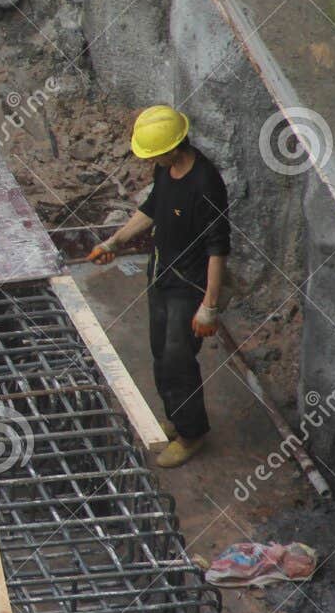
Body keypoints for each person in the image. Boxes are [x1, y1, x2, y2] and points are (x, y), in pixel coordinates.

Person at [88, 106, 230, 468]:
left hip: (189, 285)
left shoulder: (205, 184)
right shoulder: (166, 169)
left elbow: (218, 248)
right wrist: (116, 241)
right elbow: (153, 207)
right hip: (161, 274)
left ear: (175, 147)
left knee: (178, 359)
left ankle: (192, 434)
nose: (152, 161)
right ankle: (176, 418)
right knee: (160, 354)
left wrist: (209, 305)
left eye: (155, 154)